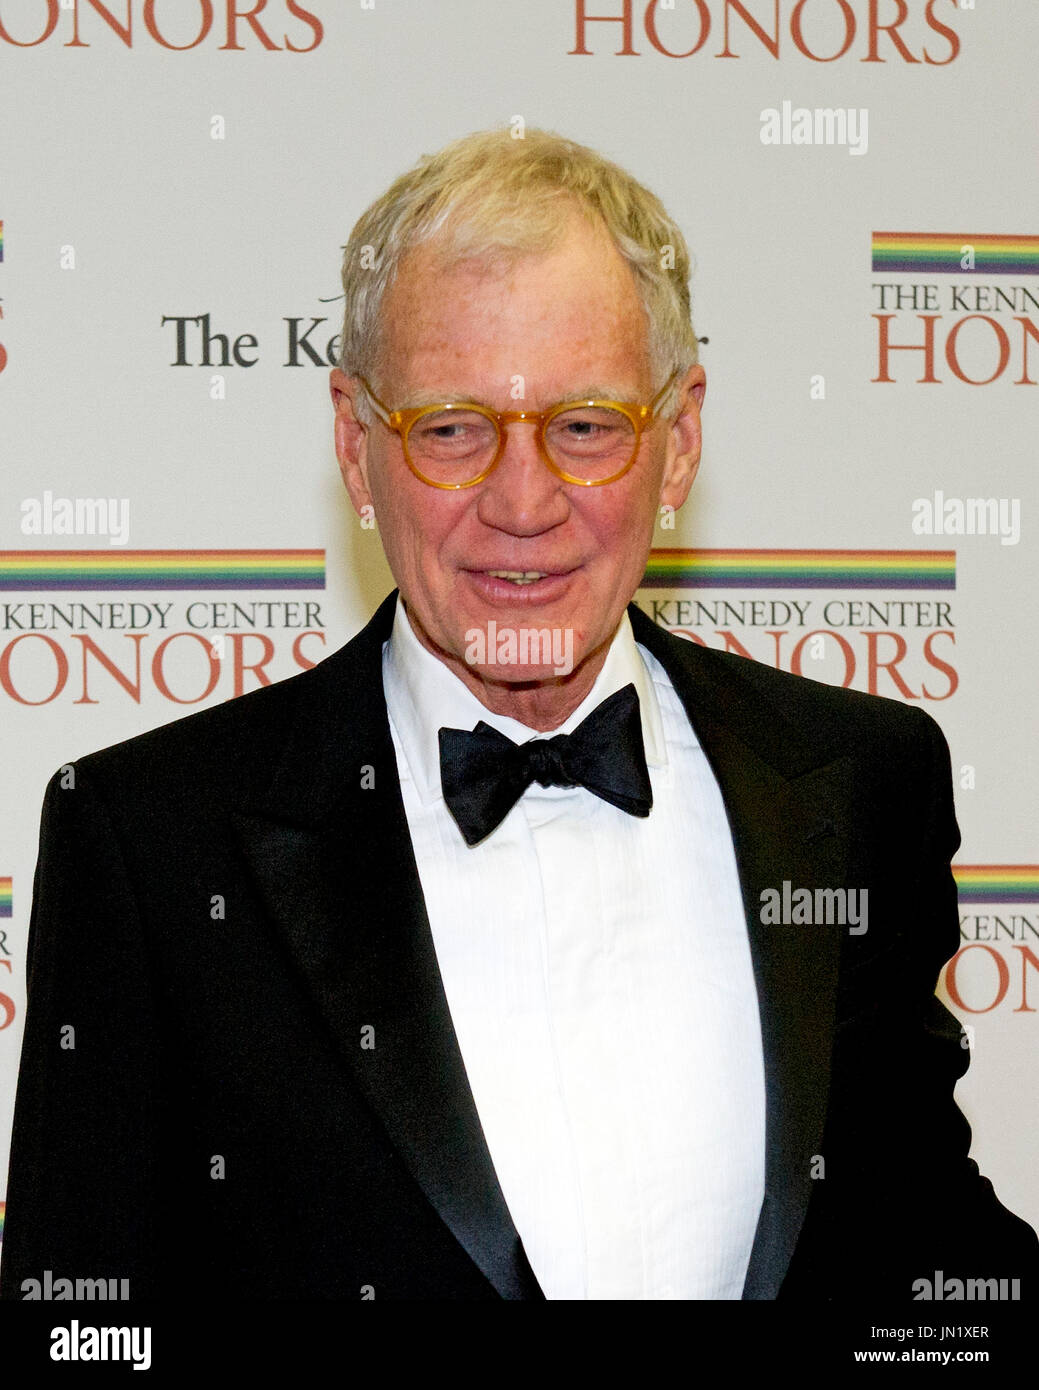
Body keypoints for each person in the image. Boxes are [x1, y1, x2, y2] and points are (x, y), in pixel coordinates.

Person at [1, 128, 1035, 1302]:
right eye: (450, 430)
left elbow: (916, 1248)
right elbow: (74, 1327)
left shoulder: (859, 778)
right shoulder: (151, 839)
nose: (522, 502)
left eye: (585, 425)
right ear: (355, 443)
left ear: (679, 437)